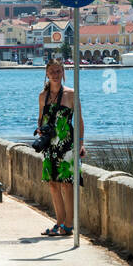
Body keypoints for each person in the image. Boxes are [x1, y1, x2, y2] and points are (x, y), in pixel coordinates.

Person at [35, 59, 85, 237]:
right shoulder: (43, 96)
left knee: (67, 185)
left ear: (63, 72)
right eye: (52, 72)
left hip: (67, 145)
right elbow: (40, 118)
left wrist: (81, 143)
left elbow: (79, 121)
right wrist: (40, 130)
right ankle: (59, 222)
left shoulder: (71, 94)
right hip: (50, 145)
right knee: (53, 185)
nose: (55, 75)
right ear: (47, 74)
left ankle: (69, 225)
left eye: (58, 71)